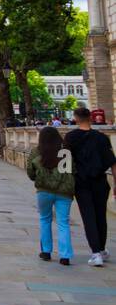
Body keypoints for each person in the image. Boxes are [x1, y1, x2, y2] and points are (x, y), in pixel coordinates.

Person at [63, 107, 116, 266]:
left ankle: (95, 253)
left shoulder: (70, 137)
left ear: (76, 118)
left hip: (81, 181)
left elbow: (64, 163)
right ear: (90, 118)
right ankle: (101, 249)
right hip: (100, 181)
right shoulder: (102, 138)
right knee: (101, 216)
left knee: (88, 216)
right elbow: (113, 163)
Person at [27, 126, 75, 265]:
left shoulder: (37, 151)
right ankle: (65, 255)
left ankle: (46, 251)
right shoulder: (66, 152)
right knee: (63, 222)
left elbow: (30, 171)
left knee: (45, 219)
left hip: (44, 190)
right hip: (64, 191)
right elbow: (74, 169)